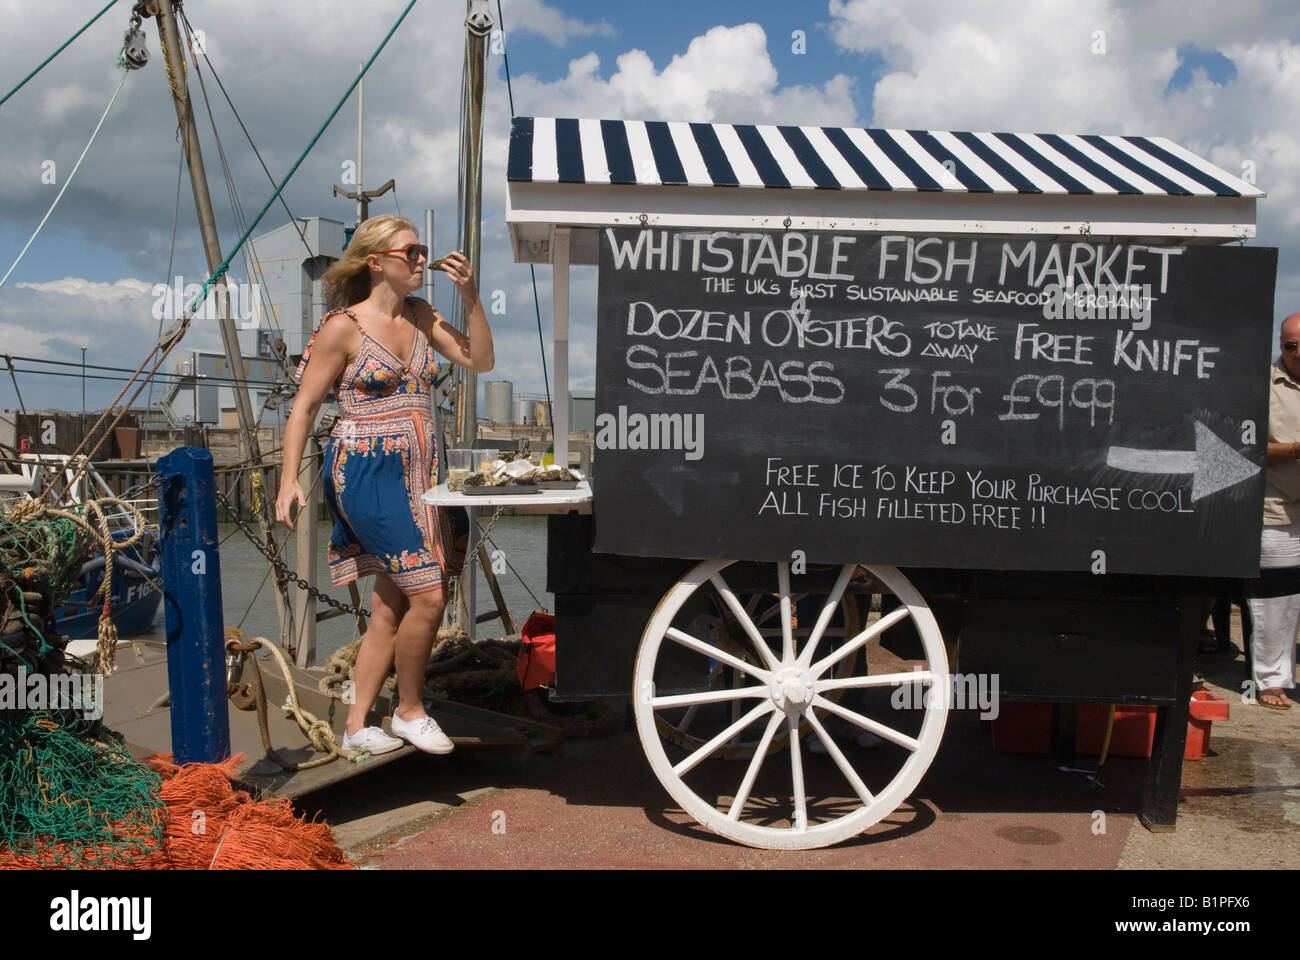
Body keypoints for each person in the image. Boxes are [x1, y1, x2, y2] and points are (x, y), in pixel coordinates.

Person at [276, 214, 493, 752]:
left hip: (424, 472)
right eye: (410, 252)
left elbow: (480, 359)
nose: (422, 259)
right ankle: (409, 710)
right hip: (367, 473)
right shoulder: (342, 327)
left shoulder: (421, 316)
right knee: (429, 595)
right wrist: (287, 481)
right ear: (376, 263)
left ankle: (355, 729)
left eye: (423, 251)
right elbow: (303, 408)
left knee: (390, 607)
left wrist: (470, 296)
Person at [1246, 312, 1300, 710]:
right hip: (1277, 509)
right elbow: (1243, 444)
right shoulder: (1262, 384)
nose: (1296, 352)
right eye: (1289, 345)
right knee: (1274, 601)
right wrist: (1295, 450)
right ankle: (1271, 679)